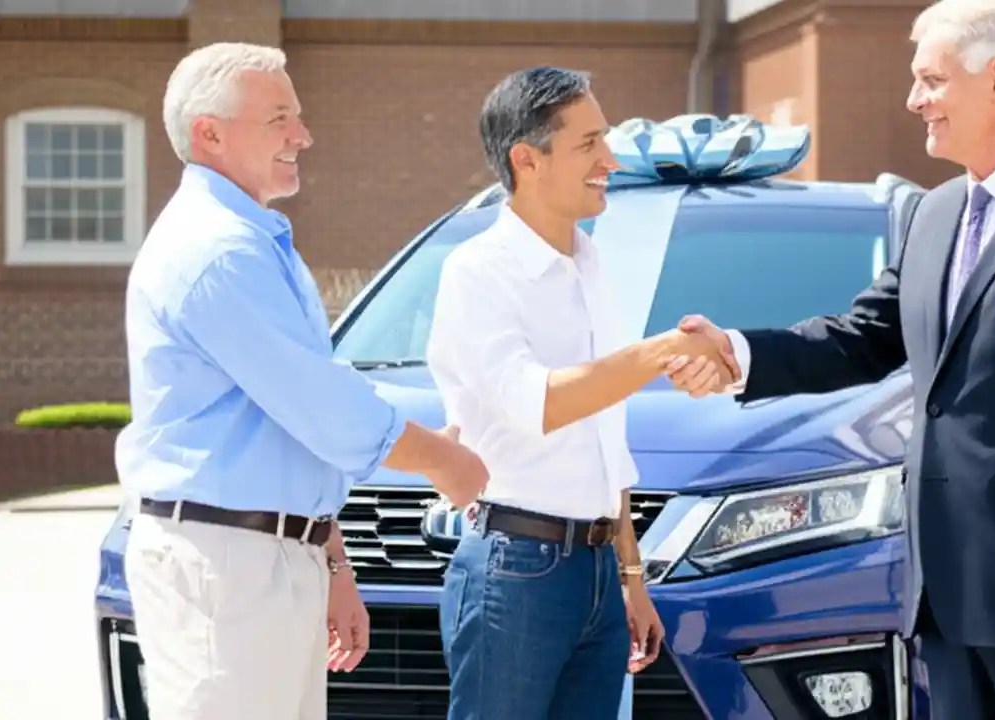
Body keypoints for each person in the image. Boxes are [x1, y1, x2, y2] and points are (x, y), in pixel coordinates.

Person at [669, 1, 995, 717]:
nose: (915, 101)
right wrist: (737, 352)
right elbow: (862, 337)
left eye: (931, 80)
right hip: (943, 611)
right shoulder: (935, 213)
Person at [116, 42, 488, 720]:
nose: (303, 136)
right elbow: (326, 411)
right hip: (225, 566)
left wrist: (330, 560)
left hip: (259, 559)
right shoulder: (219, 253)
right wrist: (445, 460)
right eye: (280, 118)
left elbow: (290, 424)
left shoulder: (249, 243)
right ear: (210, 133)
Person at [426, 66, 735, 720]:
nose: (611, 160)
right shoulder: (478, 273)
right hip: (517, 572)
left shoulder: (591, 265)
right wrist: (661, 351)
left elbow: (603, 439)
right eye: (590, 144)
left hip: (595, 572)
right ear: (526, 160)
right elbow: (538, 403)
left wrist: (629, 575)